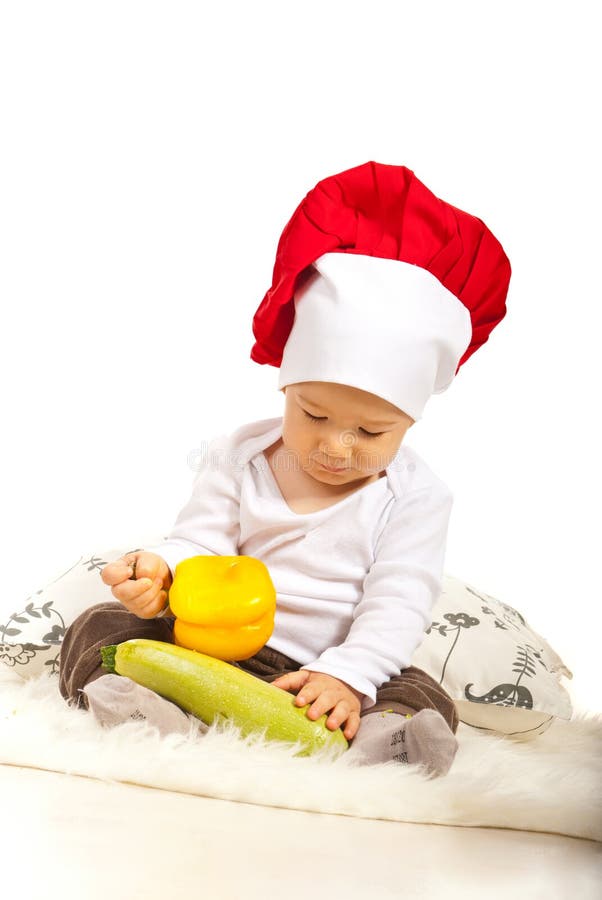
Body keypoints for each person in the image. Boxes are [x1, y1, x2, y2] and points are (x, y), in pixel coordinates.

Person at [58, 161, 511, 778]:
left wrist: (348, 676)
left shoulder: (415, 497)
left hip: (323, 674)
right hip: (213, 652)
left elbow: (398, 600)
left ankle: (386, 742)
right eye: (313, 413)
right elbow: (201, 542)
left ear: (409, 424)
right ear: (286, 386)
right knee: (99, 625)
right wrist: (162, 570)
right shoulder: (239, 455)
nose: (336, 445)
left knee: (421, 692)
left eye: (371, 432)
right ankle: (149, 709)